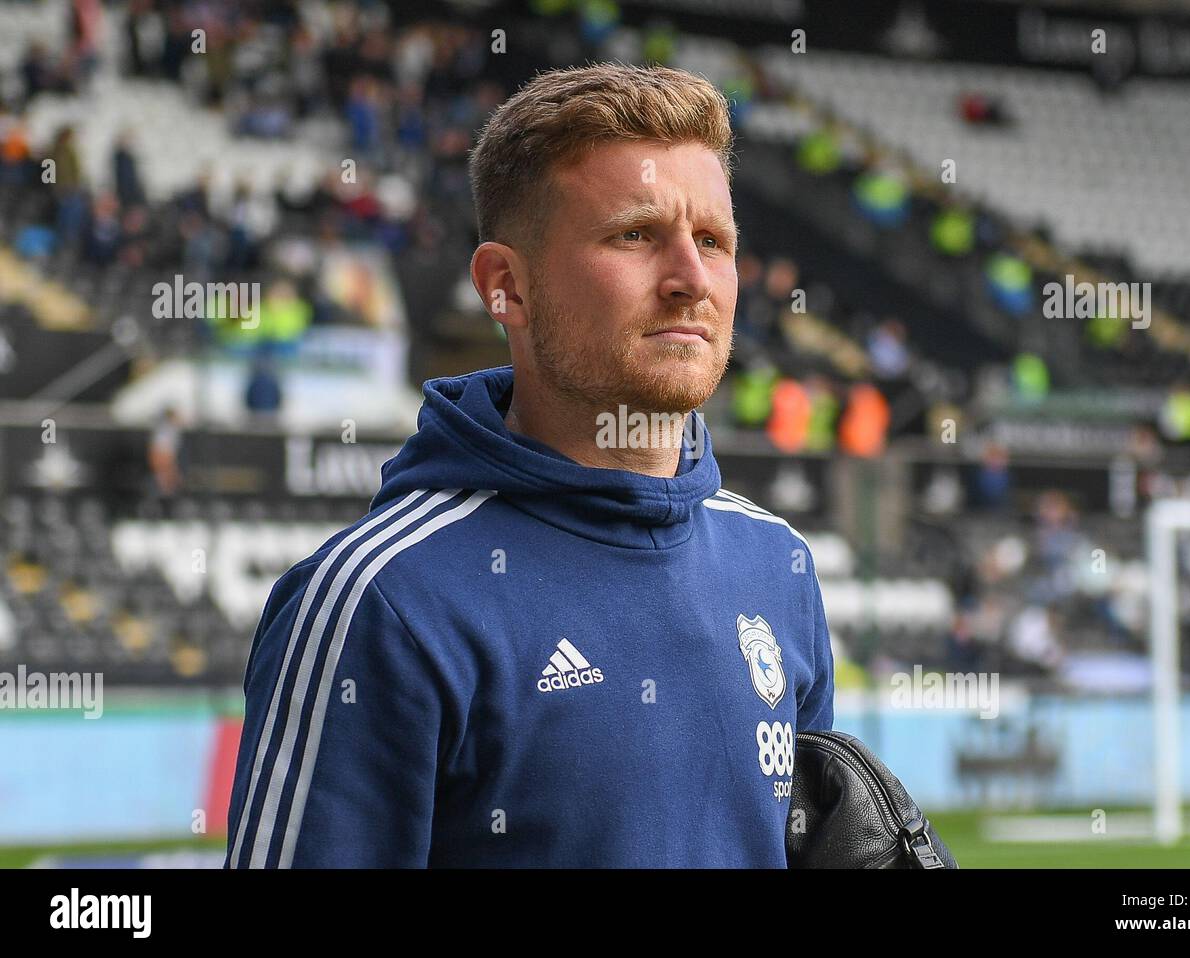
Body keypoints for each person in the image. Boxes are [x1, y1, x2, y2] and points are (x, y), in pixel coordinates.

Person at [225, 63, 836, 868]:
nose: (692, 279)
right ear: (506, 285)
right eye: (636, 234)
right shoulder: (382, 602)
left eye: (714, 242)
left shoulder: (778, 565)